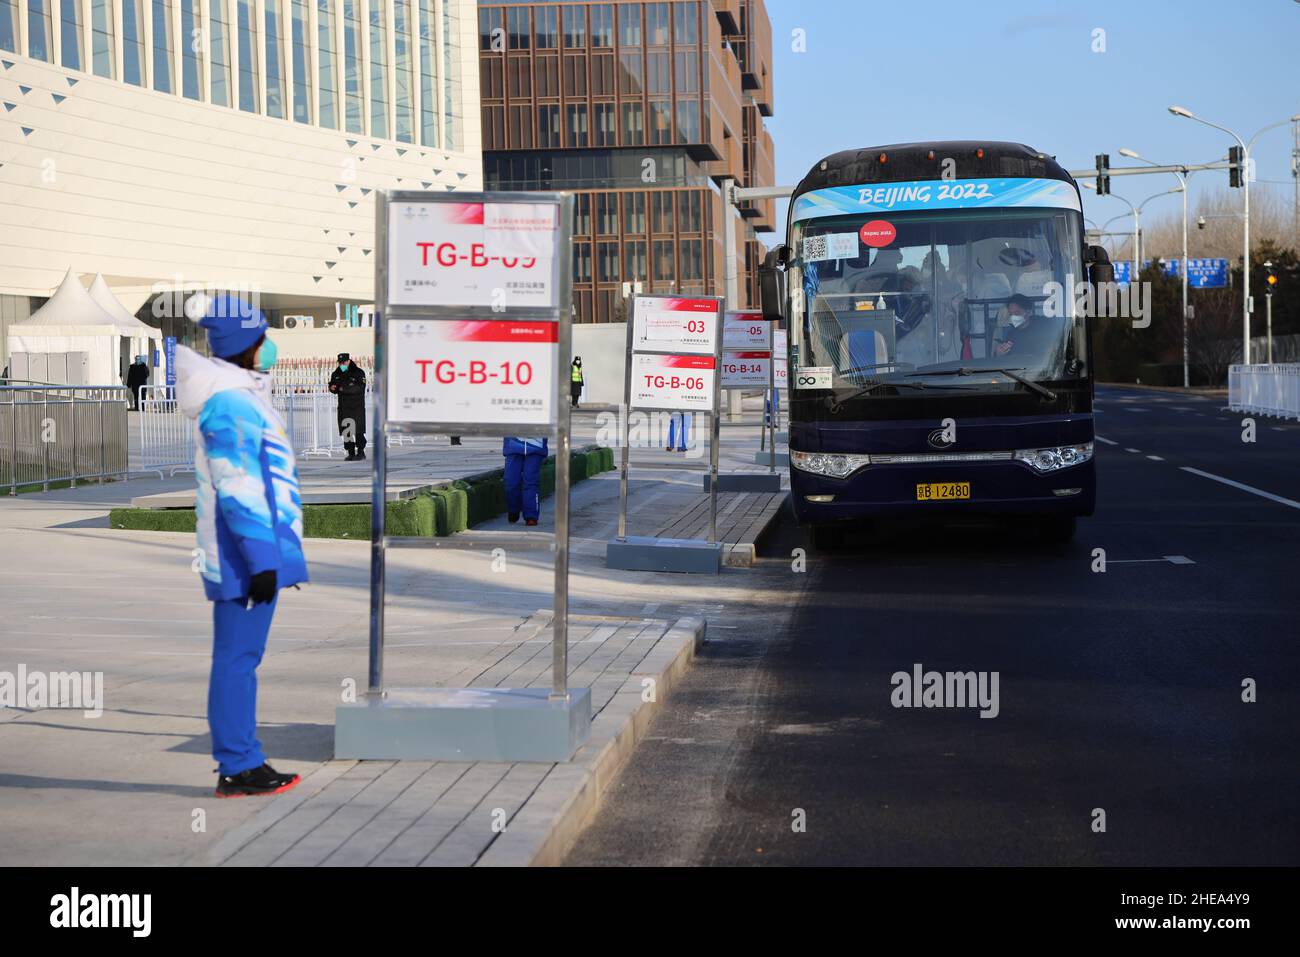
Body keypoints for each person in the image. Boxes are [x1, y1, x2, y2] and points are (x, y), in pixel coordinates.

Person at [176, 294, 307, 798]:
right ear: (242, 345)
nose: (268, 346)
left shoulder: (241, 393)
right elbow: (238, 486)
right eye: (261, 338)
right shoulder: (229, 402)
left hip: (249, 550)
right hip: (240, 554)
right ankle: (237, 765)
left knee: (241, 657)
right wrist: (261, 561)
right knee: (237, 658)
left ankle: (242, 760)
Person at [993, 294, 1059, 361]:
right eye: (1011, 314)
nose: (1013, 317)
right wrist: (998, 354)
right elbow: (1007, 360)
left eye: (1017, 313)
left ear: (1028, 312)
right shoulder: (1012, 335)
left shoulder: (1044, 324)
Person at [328, 352, 367, 460]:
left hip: (356, 406)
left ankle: (360, 451)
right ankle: (350, 452)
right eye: (340, 362)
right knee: (346, 430)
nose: (342, 364)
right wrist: (332, 388)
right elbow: (332, 384)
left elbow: (360, 388)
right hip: (344, 406)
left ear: (349, 360)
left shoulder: (358, 372)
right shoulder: (336, 373)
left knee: (358, 430)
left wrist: (343, 389)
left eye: (344, 362)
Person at [503, 436, 548, 526]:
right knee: (511, 481)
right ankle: (513, 509)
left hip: (536, 446)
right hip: (513, 444)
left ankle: (531, 516)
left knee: (531, 481)